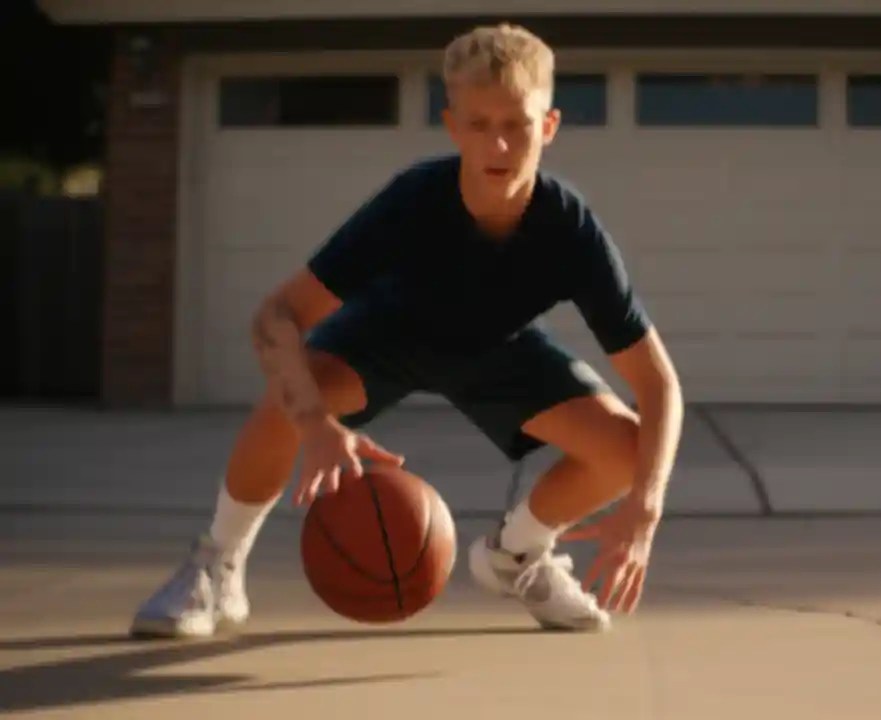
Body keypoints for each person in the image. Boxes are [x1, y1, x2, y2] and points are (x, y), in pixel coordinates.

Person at [130, 23, 684, 638]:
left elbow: (658, 384)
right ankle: (217, 564)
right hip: (386, 337)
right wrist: (317, 425)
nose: (498, 144)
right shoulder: (414, 202)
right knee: (288, 398)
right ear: (452, 127)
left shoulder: (571, 231)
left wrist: (646, 508)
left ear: (547, 126)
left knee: (632, 451)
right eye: (478, 124)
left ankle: (517, 553)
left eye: (517, 124)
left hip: (498, 346)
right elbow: (276, 318)